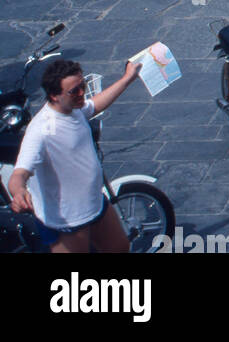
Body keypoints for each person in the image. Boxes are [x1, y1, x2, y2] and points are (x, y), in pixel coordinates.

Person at [7, 56, 144, 253]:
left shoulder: (73, 108)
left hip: (94, 204)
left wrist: (127, 79)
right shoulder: (41, 130)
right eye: (74, 91)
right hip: (67, 219)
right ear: (54, 96)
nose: (82, 93)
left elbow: (94, 105)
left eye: (83, 85)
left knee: (120, 248)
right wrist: (19, 192)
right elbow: (20, 172)